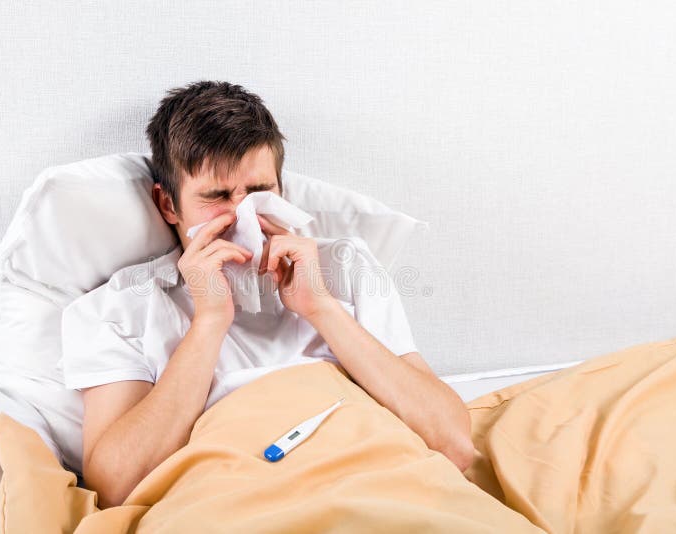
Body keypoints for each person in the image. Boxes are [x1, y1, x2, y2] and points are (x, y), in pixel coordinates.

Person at [61, 80, 474, 509]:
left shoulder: (345, 269)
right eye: (217, 197)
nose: (244, 216)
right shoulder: (118, 309)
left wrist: (322, 309)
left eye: (260, 194)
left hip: (382, 492)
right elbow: (116, 486)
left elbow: (454, 442)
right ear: (168, 205)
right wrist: (208, 323)